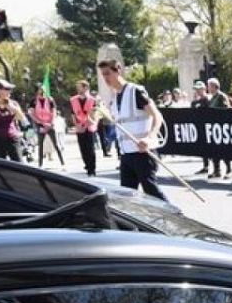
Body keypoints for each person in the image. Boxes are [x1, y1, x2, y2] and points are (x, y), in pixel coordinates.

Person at [97, 58, 166, 200]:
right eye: (103, 74)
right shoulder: (115, 98)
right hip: (126, 153)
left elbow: (157, 116)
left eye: (108, 73)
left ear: (118, 70)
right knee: (127, 196)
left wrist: (149, 137)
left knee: (151, 192)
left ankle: (176, 216)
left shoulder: (136, 91)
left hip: (143, 152)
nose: (105, 78)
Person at [0, 79, 27, 162]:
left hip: (12, 137)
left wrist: (11, 107)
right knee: (0, 166)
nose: (9, 91)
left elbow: (21, 117)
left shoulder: (13, 103)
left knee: (19, 164)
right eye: (6, 89)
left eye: (10, 89)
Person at [29, 85, 64, 168]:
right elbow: (32, 113)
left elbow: (54, 111)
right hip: (40, 125)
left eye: (44, 90)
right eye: (41, 90)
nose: (43, 92)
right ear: (37, 91)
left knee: (56, 144)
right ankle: (40, 164)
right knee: (40, 145)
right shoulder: (33, 101)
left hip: (50, 124)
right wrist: (40, 123)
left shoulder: (50, 99)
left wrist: (51, 123)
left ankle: (63, 163)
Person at [70, 80, 99, 177]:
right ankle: (87, 165)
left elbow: (93, 115)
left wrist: (85, 125)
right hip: (79, 126)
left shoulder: (92, 100)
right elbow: (73, 114)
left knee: (90, 148)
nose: (78, 89)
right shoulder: (73, 100)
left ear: (85, 88)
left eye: (80, 87)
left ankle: (92, 169)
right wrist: (77, 125)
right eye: (77, 87)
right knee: (83, 149)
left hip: (89, 126)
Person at [205, 78, 232, 179]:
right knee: (214, 150)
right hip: (213, 127)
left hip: (222, 127)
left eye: (209, 86)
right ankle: (217, 170)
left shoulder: (221, 96)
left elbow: (226, 109)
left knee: (224, 150)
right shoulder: (212, 98)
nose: (208, 88)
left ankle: (229, 170)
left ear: (214, 86)